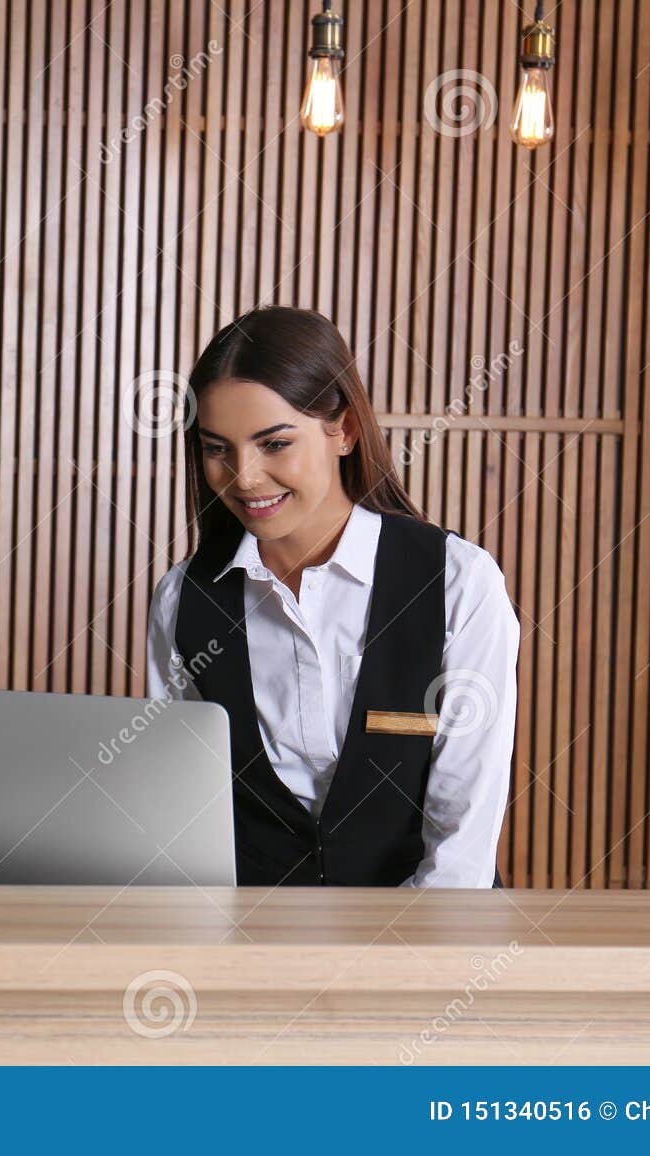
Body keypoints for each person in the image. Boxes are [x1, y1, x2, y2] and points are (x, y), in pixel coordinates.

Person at [146, 306, 520, 887]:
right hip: (250, 944)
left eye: (274, 444)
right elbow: (181, 811)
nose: (243, 477)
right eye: (217, 447)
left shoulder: (459, 582)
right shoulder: (184, 599)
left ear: (343, 430)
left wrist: (397, 967)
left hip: (427, 943)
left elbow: (462, 839)